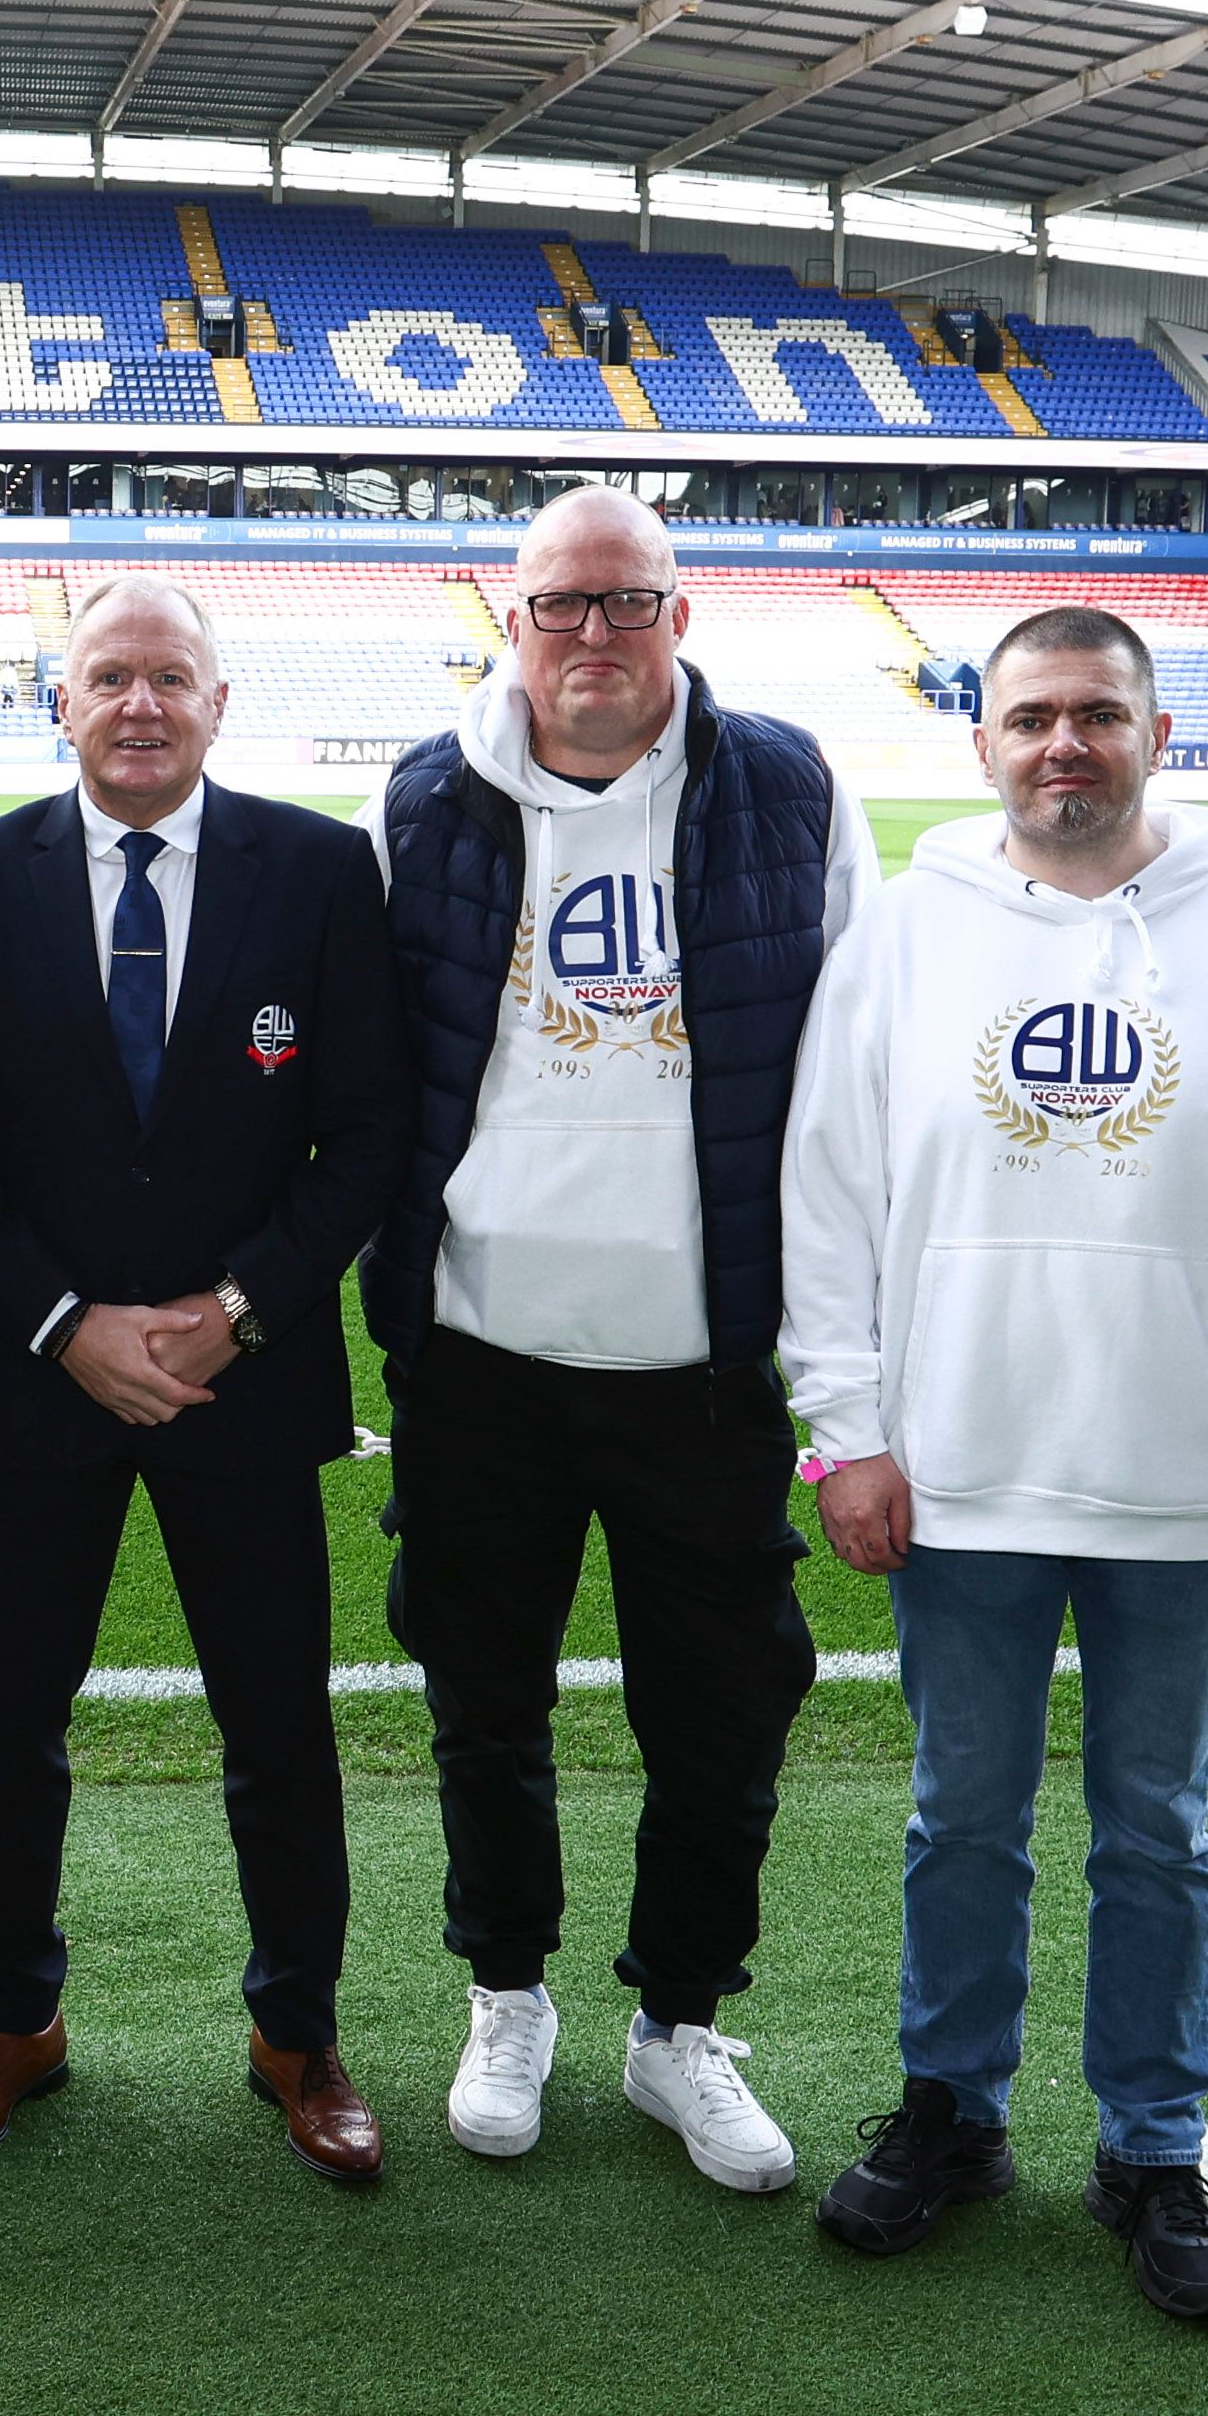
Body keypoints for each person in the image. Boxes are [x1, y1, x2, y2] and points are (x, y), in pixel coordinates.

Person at [781, 606, 1208, 2321]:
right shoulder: (902, 941)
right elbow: (825, 1210)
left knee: (1159, 1834)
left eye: (1095, 715)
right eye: (1028, 719)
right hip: (962, 1469)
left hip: (1194, 1480)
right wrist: (842, 1431)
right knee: (958, 1820)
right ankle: (952, 2112)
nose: (1061, 745)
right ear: (979, 743)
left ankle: (1151, 2145)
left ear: (1158, 731)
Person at [362, 483, 880, 2194]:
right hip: (482, 1348)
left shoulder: (791, 790)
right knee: (482, 1704)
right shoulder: (423, 798)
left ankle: (678, 2024)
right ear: (508, 617)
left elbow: (858, 1071)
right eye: (559, 607)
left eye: (626, 604)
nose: (593, 637)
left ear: (682, 612)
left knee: (722, 1709)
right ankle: (503, 1994)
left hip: (701, 1357)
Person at [0, 575, 412, 2179]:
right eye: (106, 676)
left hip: (237, 1381)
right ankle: (11, 2022)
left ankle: (297, 2035)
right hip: (41, 1379)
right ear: (59, 700)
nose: (137, 703)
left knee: (278, 1724)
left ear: (217, 701)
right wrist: (65, 1323)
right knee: (11, 1726)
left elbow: (371, 1133)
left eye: (168, 677)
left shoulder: (317, 872)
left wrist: (237, 1308)